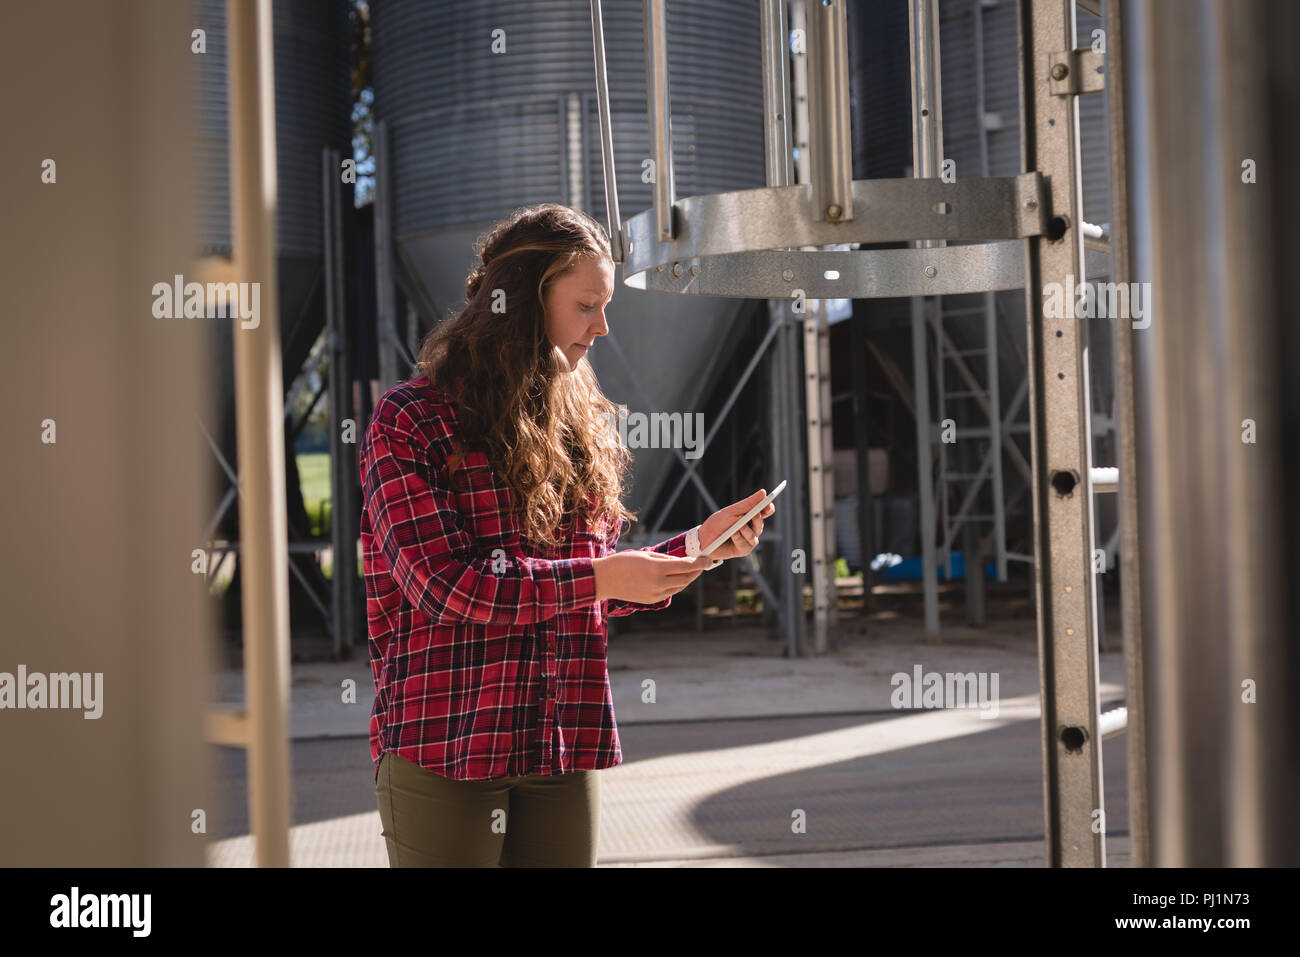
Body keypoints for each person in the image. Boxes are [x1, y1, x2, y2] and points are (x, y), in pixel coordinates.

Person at [361, 202, 775, 867]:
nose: (603, 327)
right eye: (587, 305)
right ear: (523, 303)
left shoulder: (577, 424)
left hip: (557, 740)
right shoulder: (410, 420)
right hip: (445, 741)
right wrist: (604, 577)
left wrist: (696, 548)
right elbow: (443, 585)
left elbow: (589, 584)